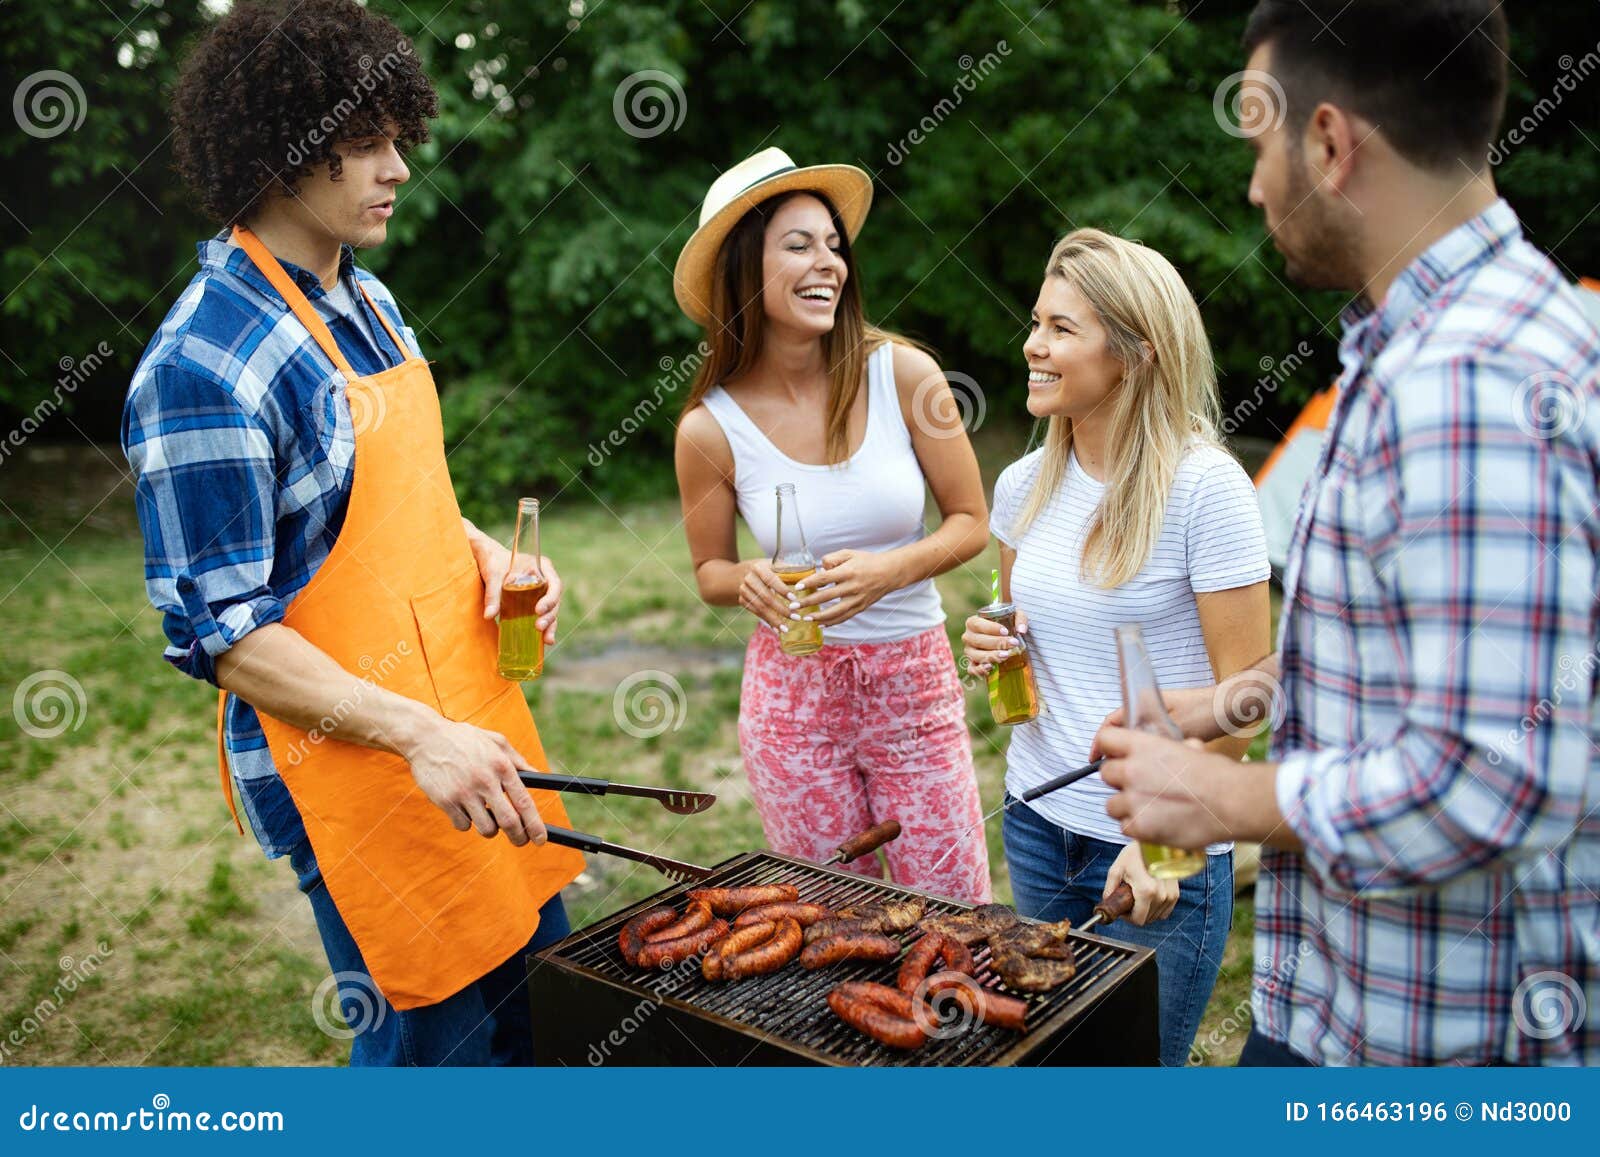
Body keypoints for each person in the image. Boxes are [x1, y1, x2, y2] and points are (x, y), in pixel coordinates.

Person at [1097, 0, 1600, 1065]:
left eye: (1257, 148)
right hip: (1342, 991)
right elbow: (1441, 654)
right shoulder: (1450, 340)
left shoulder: (1465, 383)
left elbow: (1491, 775)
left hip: (1434, 1048)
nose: (1251, 187)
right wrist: (1242, 698)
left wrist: (1224, 794)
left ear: (1327, 143)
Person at [121, 0, 584, 1065]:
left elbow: (381, 497)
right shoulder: (201, 365)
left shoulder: (363, 296)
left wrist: (484, 549)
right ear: (282, 155)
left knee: (541, 1021)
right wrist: (419, 735)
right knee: (440, 1061)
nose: (398, 170)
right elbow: (225, 634)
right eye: (365, 143)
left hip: (472, 727)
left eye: (395, 138)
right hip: (356, 762)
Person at [962, 229, 1269, 1066]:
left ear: (1132, 354)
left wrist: (1167, 830)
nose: (1033, 343)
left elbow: (1246, 696)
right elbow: (1020, 623)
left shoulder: (1208, 490)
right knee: (1056, 1070)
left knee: (1135, 1080)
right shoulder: (1022, 485)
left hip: (1161, 838)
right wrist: (992, 636)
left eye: (1061, 328)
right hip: (1036, 821)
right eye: (1036, 321)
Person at [673, 148, 993, 902]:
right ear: (743, 270)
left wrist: (893, 568)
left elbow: (972, 520)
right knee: (833, 919)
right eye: (799, 244)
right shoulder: (708, 428)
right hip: (792, 706)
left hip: (913, 686)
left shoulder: (905, 375)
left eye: (833, 244)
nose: (830, 263)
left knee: (954, 910)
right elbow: (709, 572)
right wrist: (744, 579)